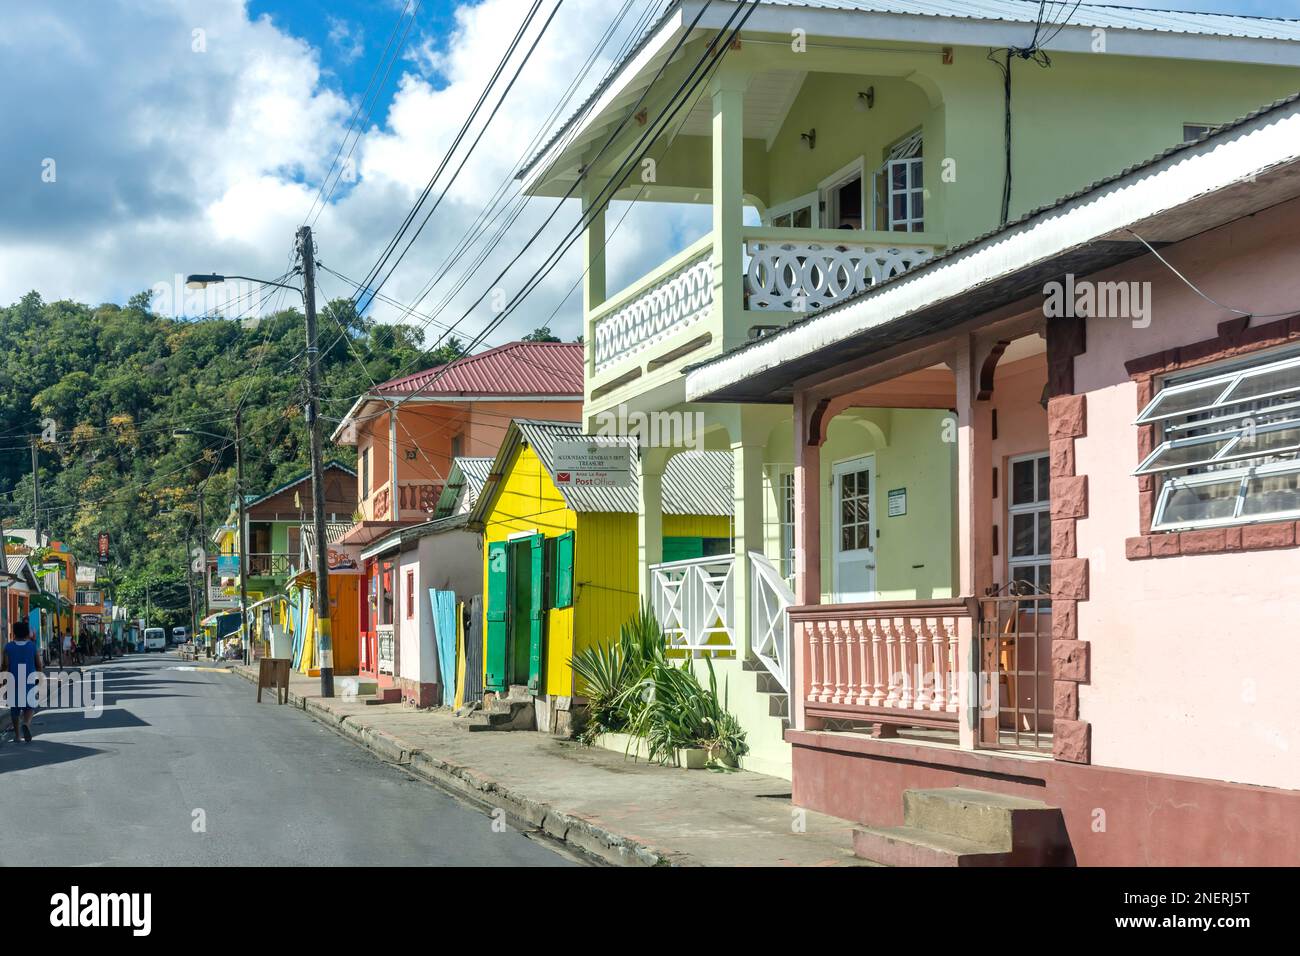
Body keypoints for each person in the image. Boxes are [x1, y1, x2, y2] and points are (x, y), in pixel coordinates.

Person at [4, 620, 42, 743]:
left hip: (13, 680)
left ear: (14, 633)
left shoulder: (8, 647)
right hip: (29, 680)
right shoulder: (32, 646)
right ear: (27, 633)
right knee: (30, 706)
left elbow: (5, 665)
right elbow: (38, 664)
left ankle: (17, 735)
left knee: (15, 709)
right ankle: (26, 723)